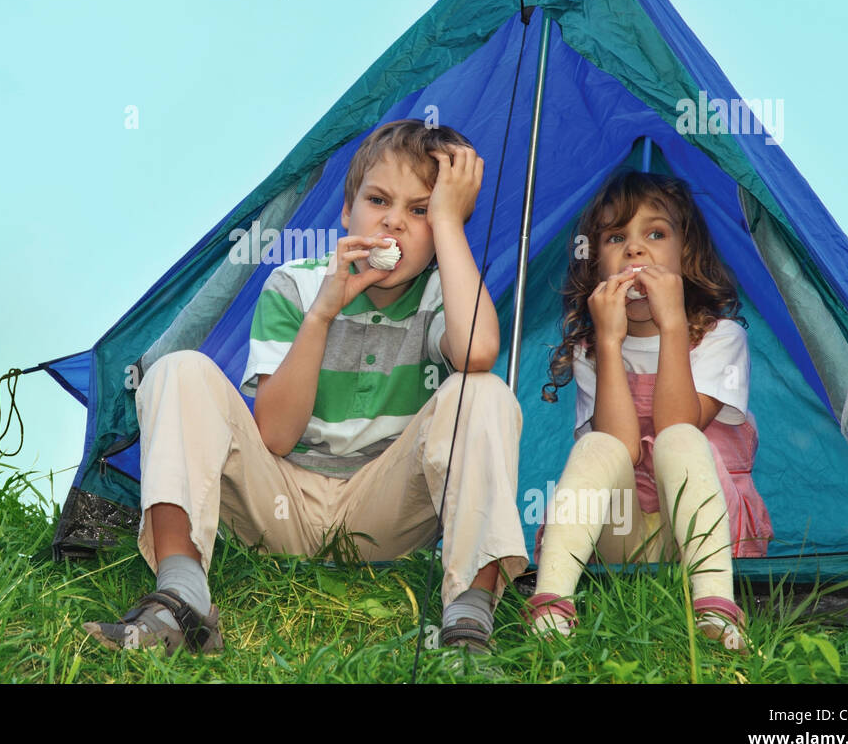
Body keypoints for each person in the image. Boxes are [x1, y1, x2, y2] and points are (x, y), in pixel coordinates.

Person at [83, 119, 527, 654]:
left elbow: (477, 352)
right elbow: (273, 435)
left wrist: (451, 227)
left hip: (380, 514)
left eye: (420, 211)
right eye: (378, 200)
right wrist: (321, 315)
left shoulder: (440, 295)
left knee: (481, 390)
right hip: (281, 504)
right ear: (346, 212)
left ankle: (467, 624)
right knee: (178, 370)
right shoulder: (296, 284)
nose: (393, 223)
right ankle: (182, 599)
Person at [529, 170, 772, 651]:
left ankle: (716, 608)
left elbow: (675, 423)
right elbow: (617, 444)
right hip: (625, 534)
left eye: (655, 234)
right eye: (616, 237)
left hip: (702, 533)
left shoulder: (721, 338)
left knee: (679, 437)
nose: (635, 250)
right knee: (597, 443)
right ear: (595, 263)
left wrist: (673, 322)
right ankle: (551, 605)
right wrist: (609, 339)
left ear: (687, 255)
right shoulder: (592, 349)